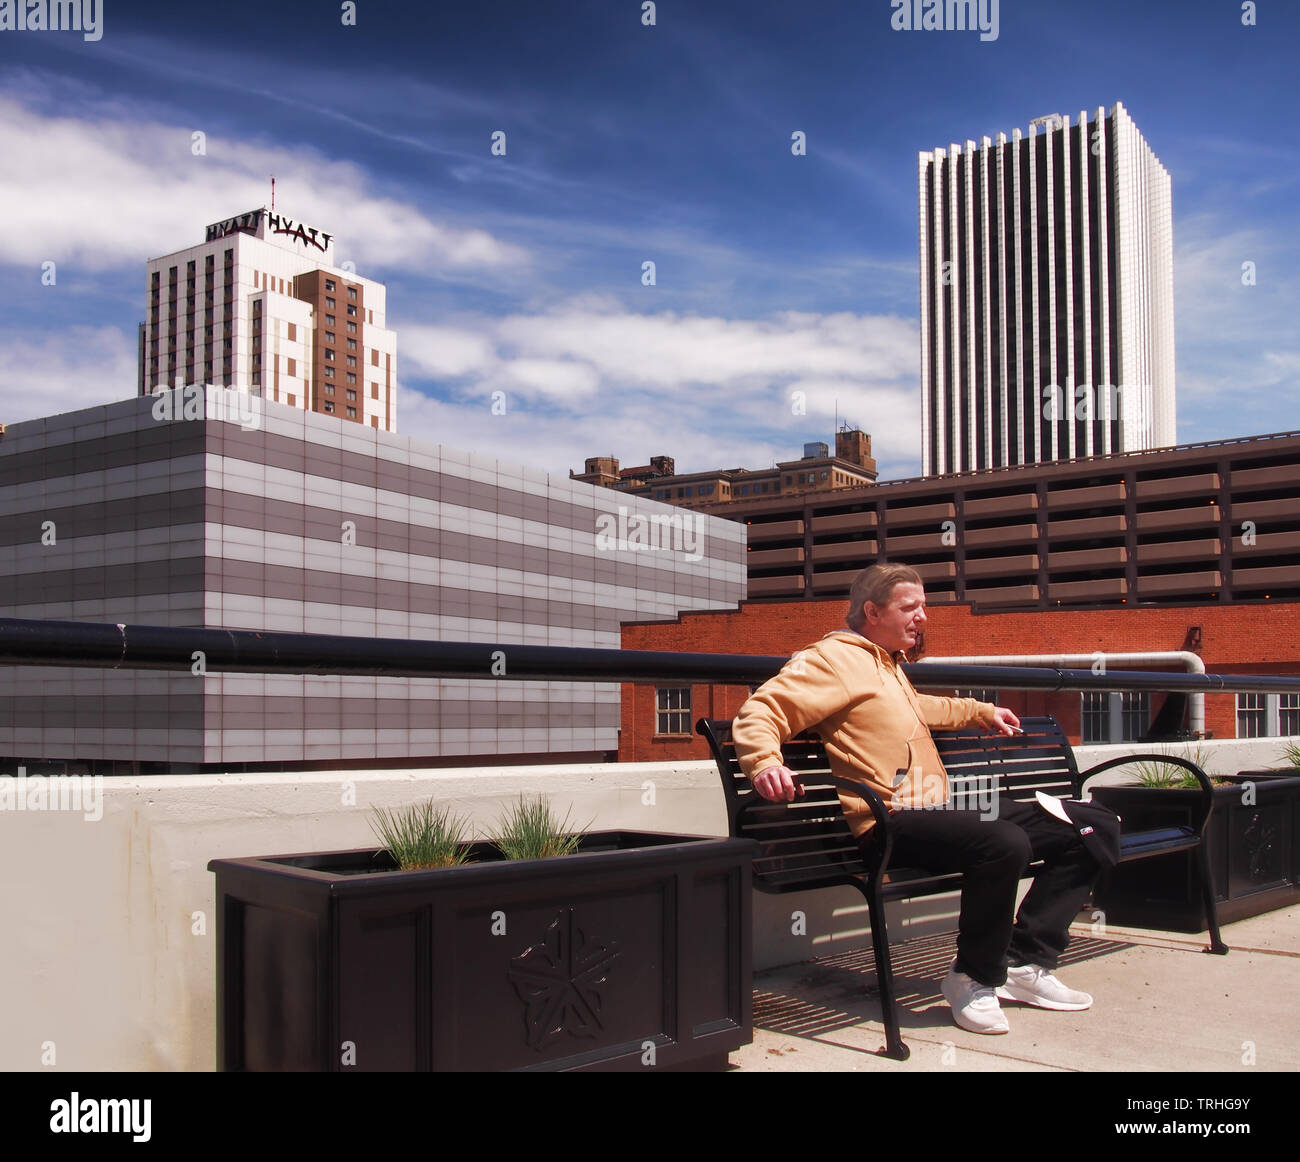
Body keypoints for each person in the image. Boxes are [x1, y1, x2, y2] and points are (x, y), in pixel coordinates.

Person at [732, 562, 1119, 1035]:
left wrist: (980, 710)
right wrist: (766, 763)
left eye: (924, 607)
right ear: (872, 612)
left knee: (1092, 824)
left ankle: (1026, 962)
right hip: (889, 821)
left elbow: (920, 707)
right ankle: (973, 977)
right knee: (1005, 841)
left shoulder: (886, 663)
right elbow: (763, 710)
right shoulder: (833, 659)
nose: (923, 617)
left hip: (939, 809)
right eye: (909, 607)